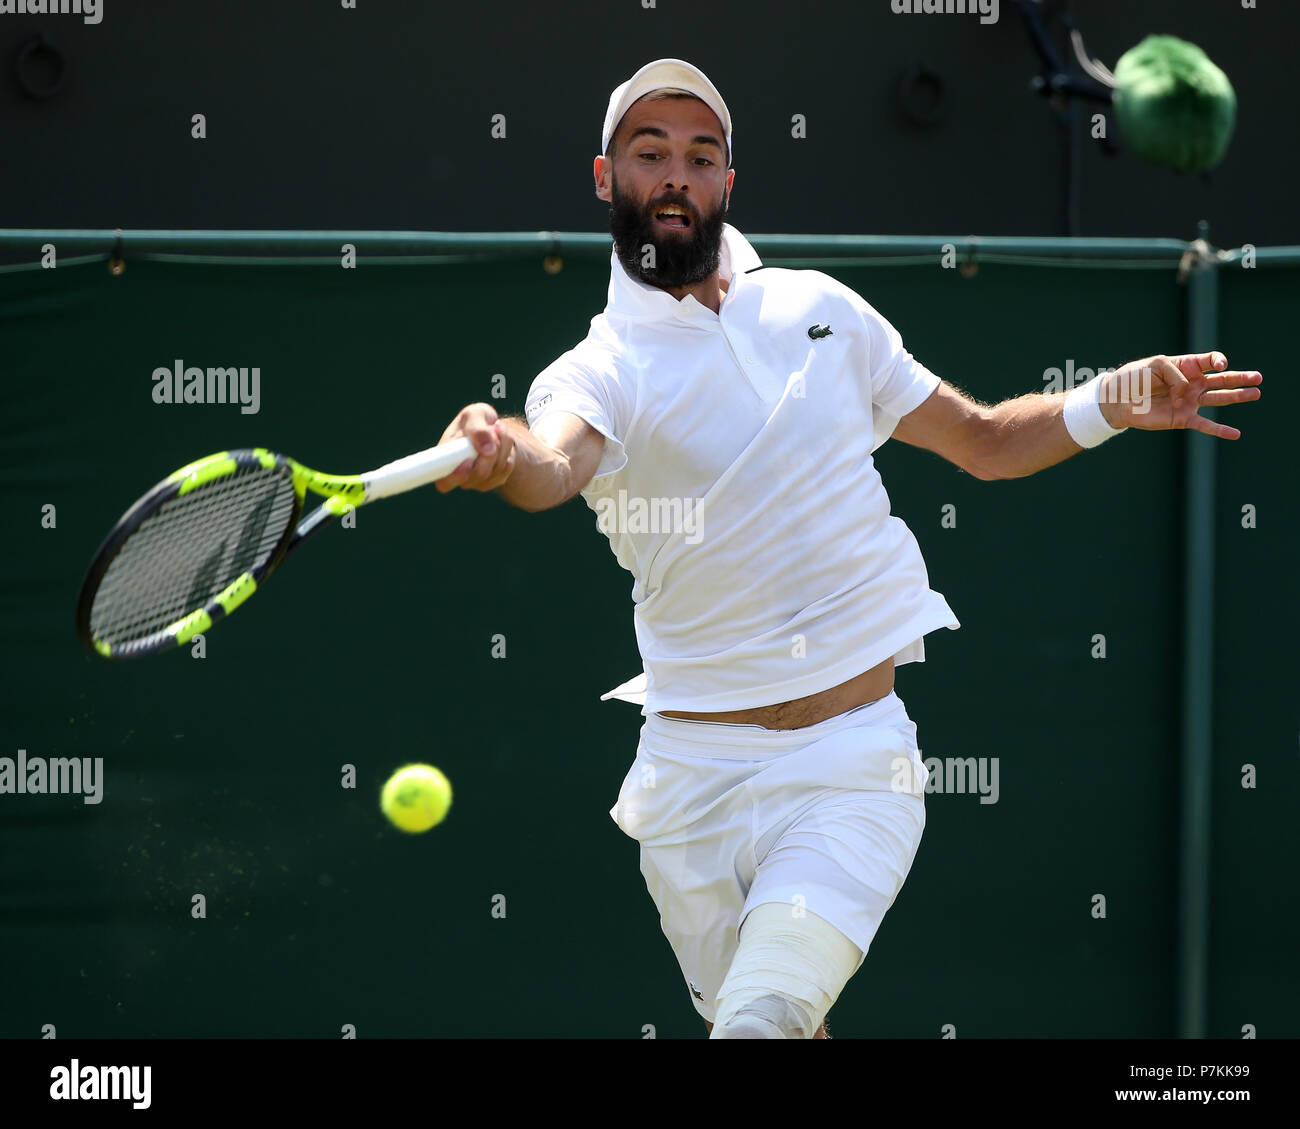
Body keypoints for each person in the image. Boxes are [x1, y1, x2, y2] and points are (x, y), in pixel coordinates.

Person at [434, 58, 1262, 1038]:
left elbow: (985, 441)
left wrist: (1109, 399)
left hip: (850, 763)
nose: (675, 175)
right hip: (688, 784)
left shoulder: (821, 309)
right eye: (649, 153)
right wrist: (502, 453)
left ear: (727, 182)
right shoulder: (594, 371)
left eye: (700, 155)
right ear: (605, 176)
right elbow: (553, 462)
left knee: (761, 1022)